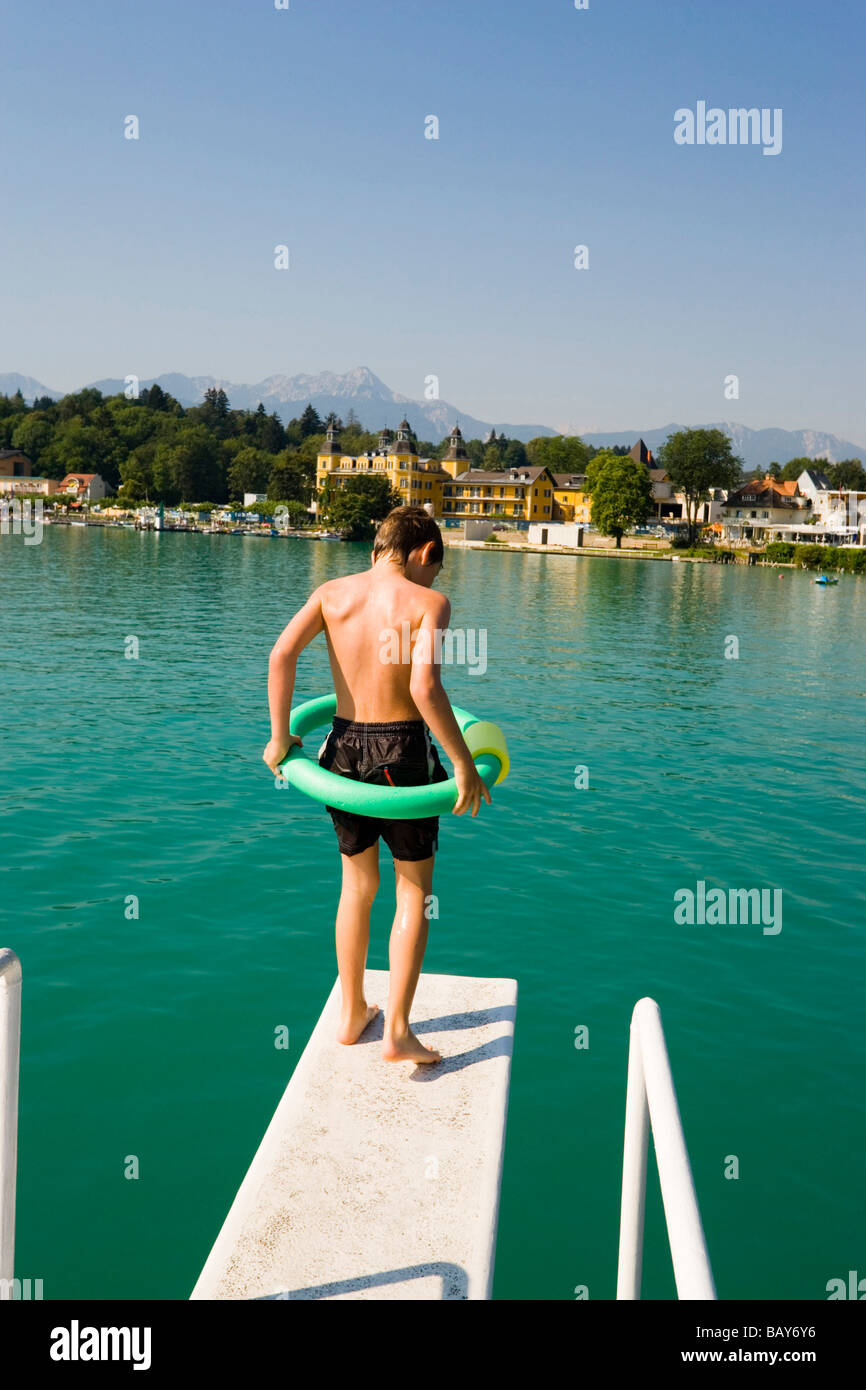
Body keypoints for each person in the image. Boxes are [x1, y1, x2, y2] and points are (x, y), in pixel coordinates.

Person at [263, 506, 491, 1064]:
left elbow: (280, 654)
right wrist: (462, 764)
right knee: (413, 892)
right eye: (433, 570)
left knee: (356, 888)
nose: (432, 581)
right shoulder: (429, 603)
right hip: (404, 753)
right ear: (426, 553)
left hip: (340, 750)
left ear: (375, 550)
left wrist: (277, 738)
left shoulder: (332, 592)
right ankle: (398, 1031)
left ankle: (351, 1014)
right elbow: (424, 688)